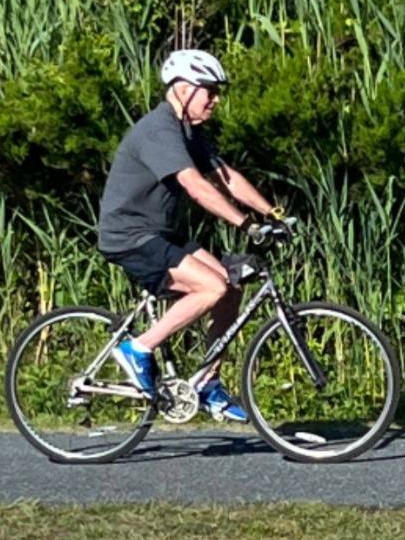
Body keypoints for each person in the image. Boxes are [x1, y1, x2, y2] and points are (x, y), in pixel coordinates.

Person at [97, 49, 280, 422]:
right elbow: (195, 185)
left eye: (217, 92)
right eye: (209, 90)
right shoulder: (158, 129)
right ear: (182, 89)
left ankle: (207, 382)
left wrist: (272, 214)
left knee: (230, 285)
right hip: (130, 236)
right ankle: (138, 349)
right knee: (210, 288)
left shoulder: (189, 132)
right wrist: (246, 225)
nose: (215, 99)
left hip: (160, 233)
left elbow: (225, 176)